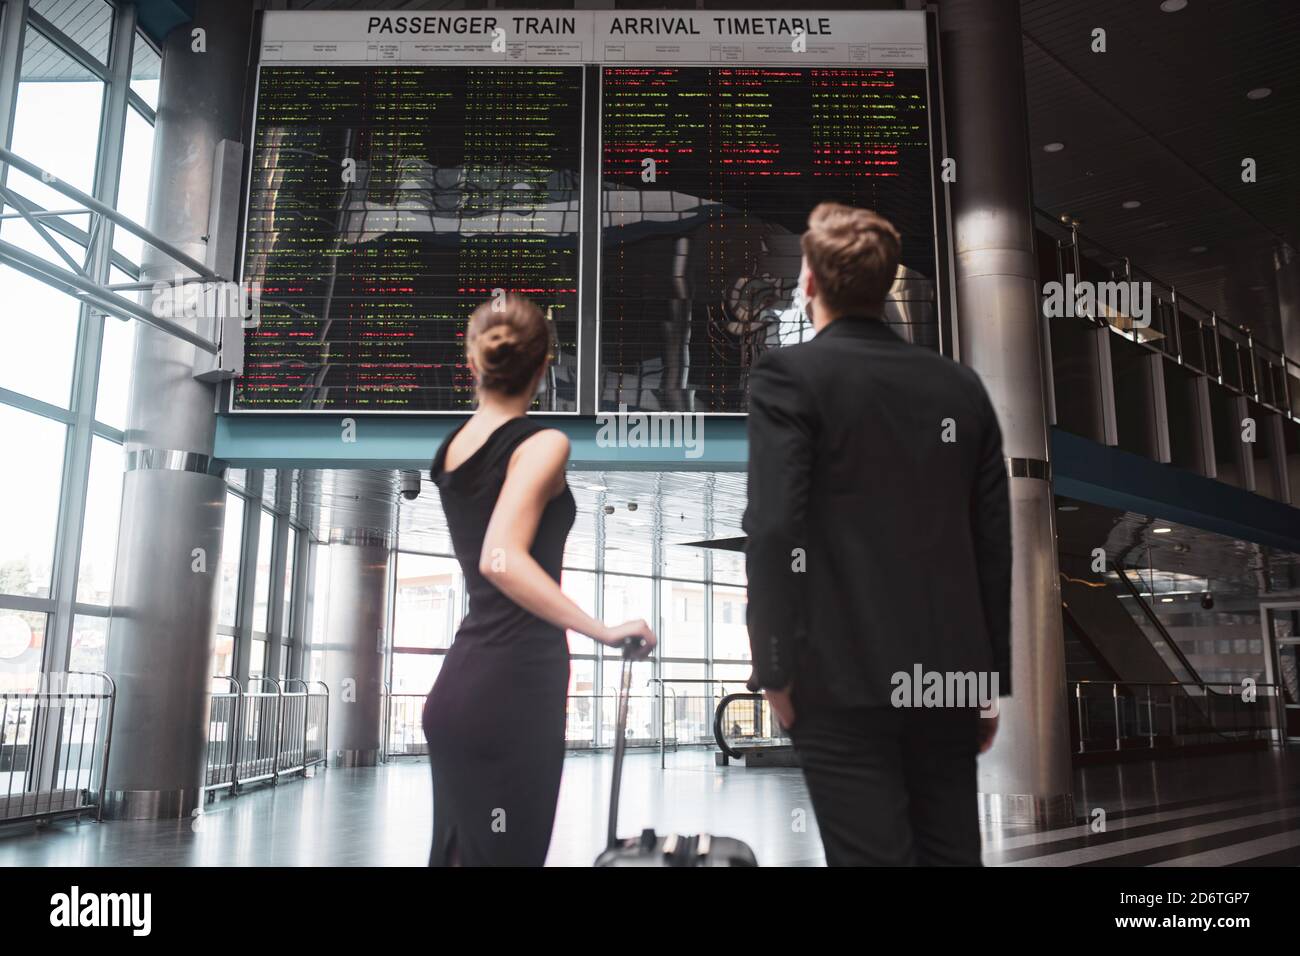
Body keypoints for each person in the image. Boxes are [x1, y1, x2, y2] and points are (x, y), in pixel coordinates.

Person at [743, 203, 1011, 866]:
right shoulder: (960, 387)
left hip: (839, 681)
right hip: (945, 680)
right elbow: (991, 542)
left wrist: (773, 668)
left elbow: (775, 527)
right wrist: (985, 678)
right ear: (888, 283)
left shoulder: (789, 376)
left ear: (809, 284)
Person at [423, 294, 656, 867]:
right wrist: (600, 629)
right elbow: (500, 556)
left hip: (459, 691)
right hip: (513, 690)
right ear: (546, 365)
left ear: (471, 363)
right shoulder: (543, 443)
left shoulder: (452, 448)